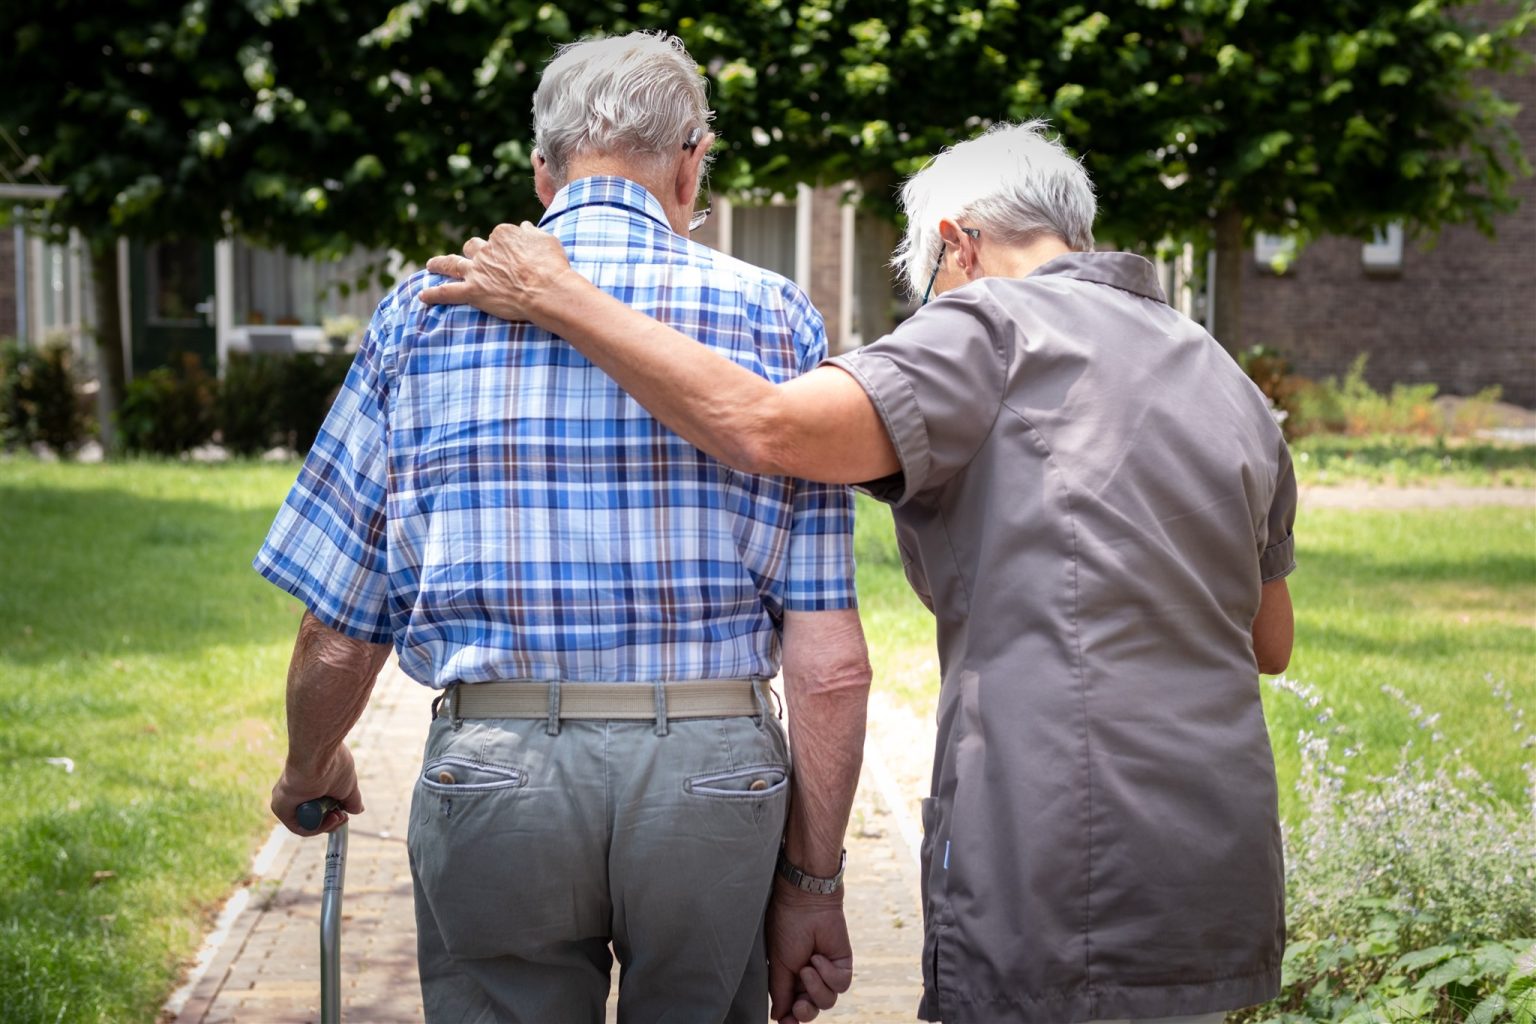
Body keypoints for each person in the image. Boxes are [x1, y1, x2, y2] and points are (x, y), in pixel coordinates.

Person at [420, 119, 1298, 1024]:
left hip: (1059, 841)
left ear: (957, 242)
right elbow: (1269, 641)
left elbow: (766, 428)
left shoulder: (989, 327)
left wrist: (563, 294)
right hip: (1217, 854)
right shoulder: (1222, 374)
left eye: (928, 281)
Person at [257, 31, 871, 1024]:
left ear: (542, 170)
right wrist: (814, 882)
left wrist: (309, 766)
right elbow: (831, 662)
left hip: (498, 766)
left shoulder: (426, 313)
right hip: (712, 772)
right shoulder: (778, 319)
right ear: (691, 161)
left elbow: (340, 626)